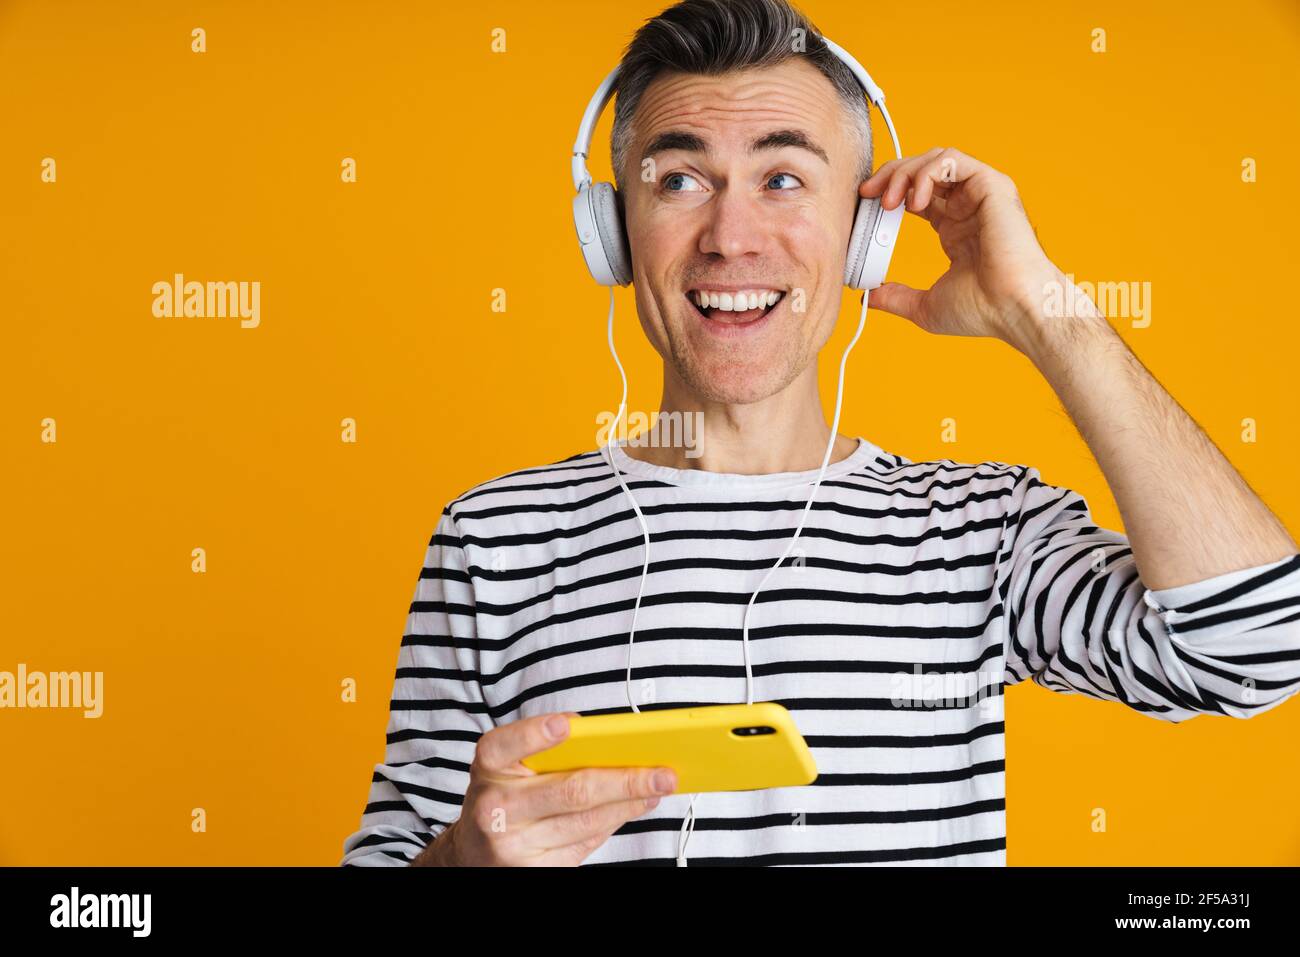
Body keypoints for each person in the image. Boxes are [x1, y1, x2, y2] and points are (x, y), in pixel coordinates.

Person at [341, 0, 1300, 866]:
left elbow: (1259, 646)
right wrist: (465, 861)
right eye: (679, 180)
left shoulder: (983, 530)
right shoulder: (494, 537)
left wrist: (1045, 312)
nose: (731, 236)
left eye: (785, 178)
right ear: (612, 231)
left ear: (864, 229)